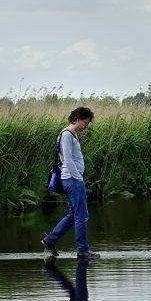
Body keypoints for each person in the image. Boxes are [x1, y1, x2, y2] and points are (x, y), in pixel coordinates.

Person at [42, 107, 100, 260]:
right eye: (86, 123)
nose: (86, 126)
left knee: (73, 214)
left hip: (71, 179)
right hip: (73, 180)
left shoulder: (71, 134)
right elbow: (67, 159)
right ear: (78, 119)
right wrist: (78, 178)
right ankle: (83, 251)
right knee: (82, 216)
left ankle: (49, 241)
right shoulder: (67, 135)